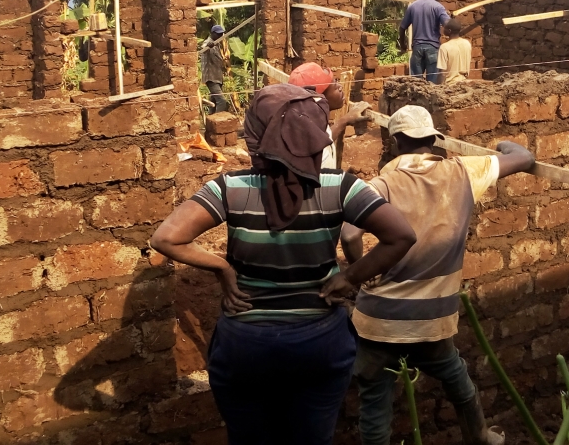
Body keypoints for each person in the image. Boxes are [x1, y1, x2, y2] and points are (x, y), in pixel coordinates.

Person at [149, 83, 417, 445]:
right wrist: (349, 278)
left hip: (245, 345)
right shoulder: (341, 187)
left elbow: (165, 238)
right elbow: (401, 236)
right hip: (319, 342)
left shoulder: (229, 187)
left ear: (255, 136)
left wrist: (222, 268)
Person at [340, 105, 535, 445]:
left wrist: (363, 276)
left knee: (375, 402)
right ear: (433, 140)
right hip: (431, 319)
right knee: (457, 382)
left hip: (378, 320)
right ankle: (480, 437)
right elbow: (524, 157)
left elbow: (349, 235)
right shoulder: (462, 172)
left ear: (395, 141)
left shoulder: (381, 184)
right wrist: (502, 143)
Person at [289, 61, 373, 169]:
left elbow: (323, 140)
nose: (340, 87)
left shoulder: (306, 120)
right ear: (319, 98)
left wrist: (344, 120)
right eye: (334, 86)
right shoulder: (308, 136)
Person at [398, 0, 450, 84]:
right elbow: (447, 24)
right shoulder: (438, 7)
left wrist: (403, 45)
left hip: (417, 48)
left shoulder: (413, 6)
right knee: (432, 85)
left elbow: (402, 27)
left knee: (416, 85)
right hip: (433, 48)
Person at [201, 24, 229, 113]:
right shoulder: (209, 42)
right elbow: (204, 48)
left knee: (213, 103)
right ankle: (218, 122)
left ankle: (211, 122)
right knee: (222, 101)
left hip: (218, 78)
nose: (220, 36)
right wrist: (209, 46)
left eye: (221, 34)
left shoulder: (217, 45)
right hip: (211, 78)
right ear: (212, 33)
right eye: (218, 34)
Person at [436, 17, 472, 85]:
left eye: (444, 28)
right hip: (464, 84)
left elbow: (442, 73)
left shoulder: (444, 47)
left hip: (450, 85)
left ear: (449, 31)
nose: (443, 29)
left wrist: (438, 88)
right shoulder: (467, 44)